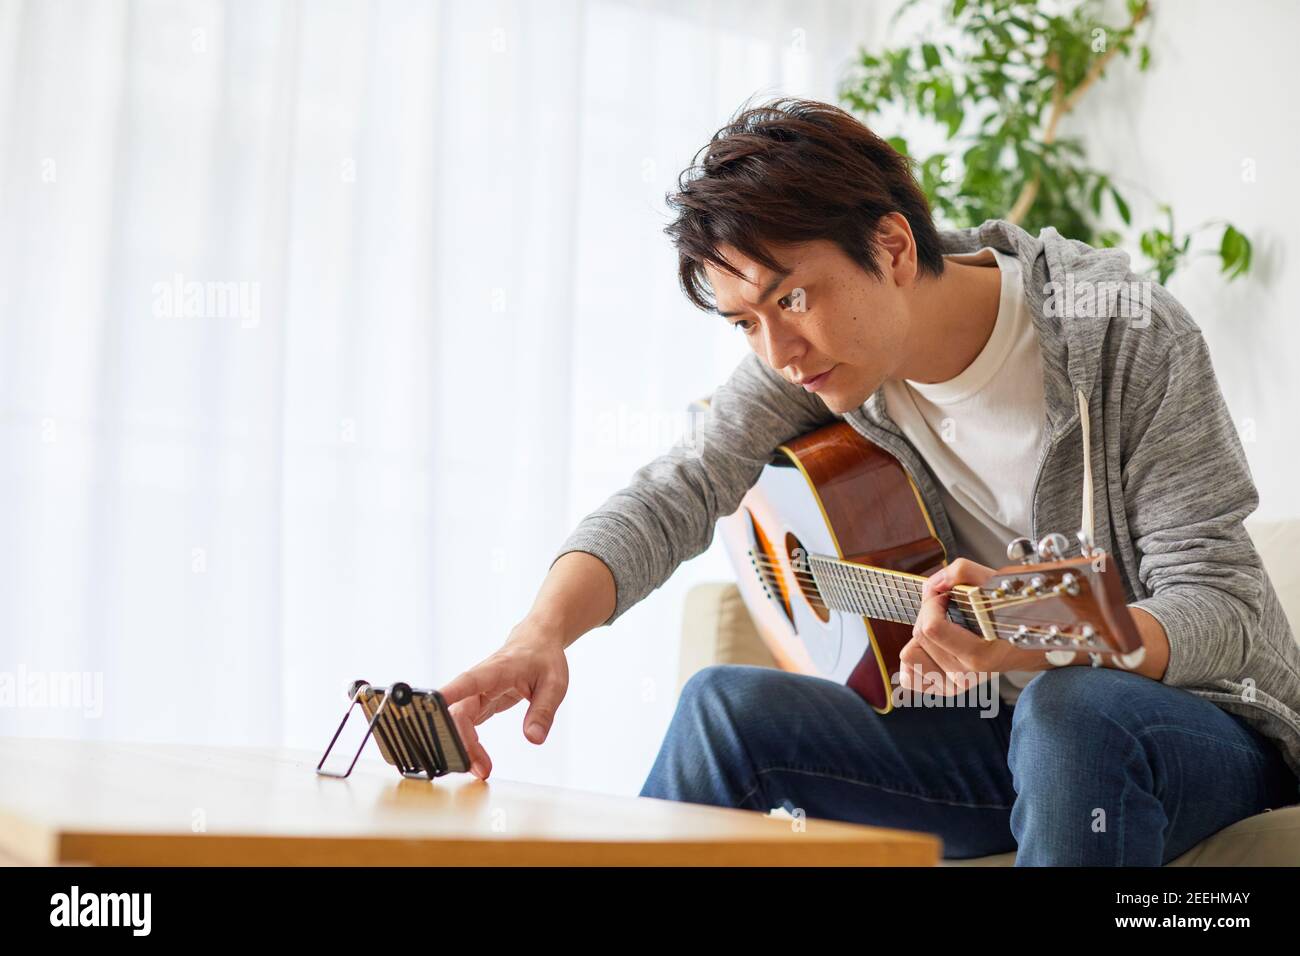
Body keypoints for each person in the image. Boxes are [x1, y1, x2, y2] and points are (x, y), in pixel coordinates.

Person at [438, 97, 1300, 865]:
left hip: (1192, 732)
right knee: (722, 710)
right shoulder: (815, 367)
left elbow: (1220, 605)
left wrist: (1033, 628)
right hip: (991, 742)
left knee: (1072, 711)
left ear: (890, 246)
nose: (778, 352)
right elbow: (681, 487)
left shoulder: (1123, 335)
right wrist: (540, 632)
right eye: (746, 324)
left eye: (793, 301)